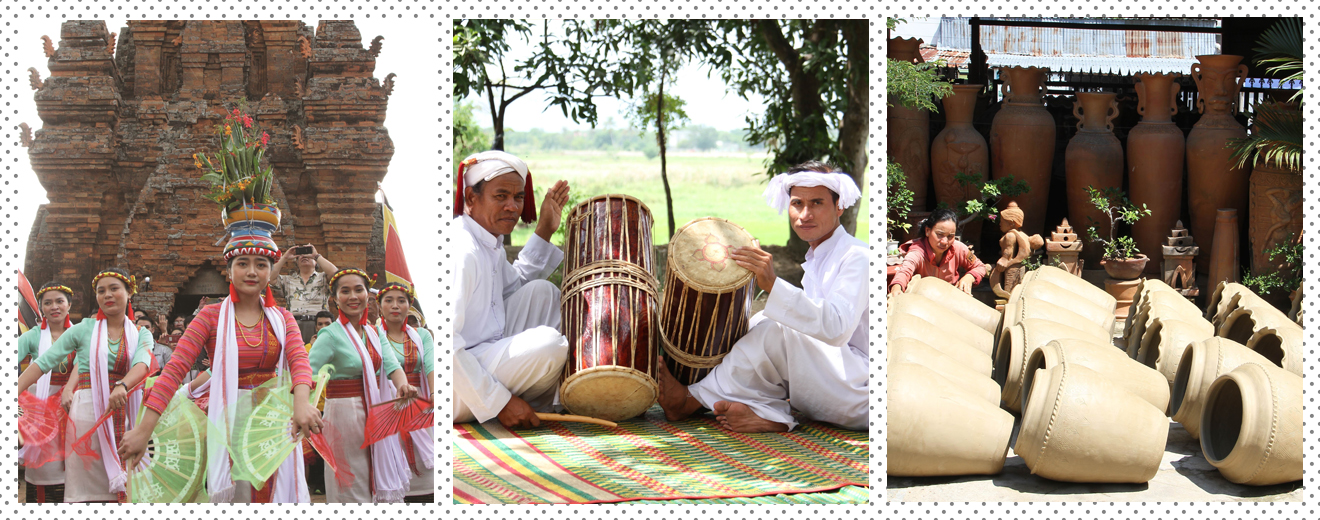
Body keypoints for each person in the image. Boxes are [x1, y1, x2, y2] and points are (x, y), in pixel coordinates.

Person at [655, 161, 868, 433]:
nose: (805, 214)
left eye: (817, 203)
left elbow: (837, 329)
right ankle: (771, 414)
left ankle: (688, 400)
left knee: (775, 331)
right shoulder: (818, 257)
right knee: (760, 321)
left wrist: (773, 284)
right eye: (797, 203)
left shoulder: (858, 257)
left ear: (839, 207)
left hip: (860, 389)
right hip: (835, 379)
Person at [119, 231, 321, 504]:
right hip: (228, 417)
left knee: (272, 493)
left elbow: (299, 362)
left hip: (272, 419)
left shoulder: (282, 318)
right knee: (237, 494)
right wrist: (144, 430)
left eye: (261, 265)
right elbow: (174, 370)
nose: (252, 272)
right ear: (229, 271)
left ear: (270, 272)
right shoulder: (210, 316)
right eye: (242, 264)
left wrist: (301, 404)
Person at [451, 150, 572, 430]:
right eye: (500, 196)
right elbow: (445, 342)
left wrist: (544, 230)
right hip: (458, 383)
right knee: (551, 345)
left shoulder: (487, 242)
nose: (512, 207)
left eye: (518, 198)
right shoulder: (462, 250)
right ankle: (513, 405)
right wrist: (500, 402)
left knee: (543, 293)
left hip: (484, 355)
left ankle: (547, 400)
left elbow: (515, 286)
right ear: (471, 198)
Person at [17, 268, 156, 502]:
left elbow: (143, 364)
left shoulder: (142, 334)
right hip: (87, 416)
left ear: (129, 292)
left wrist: (122, 385)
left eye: (114, 289)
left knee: (128, 487)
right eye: (101, 291)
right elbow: (43, 363)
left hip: (127, 413)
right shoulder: (83, 329)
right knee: (86, 490)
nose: (107, 295)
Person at [309, 268, 418, 503]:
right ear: (335, 299)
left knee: (374, 475)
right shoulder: (330, 335)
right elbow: (308, 374)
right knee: (351, 480)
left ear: (367, 295)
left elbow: (391, 364)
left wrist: (403, 385)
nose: (353, 296)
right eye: (345, 291)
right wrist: (305, 408)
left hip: (376, 411)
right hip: (344, 415)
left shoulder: (374, 331)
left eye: (359, 290)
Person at [16, 282, 79, 503]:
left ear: (69, 305)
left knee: (74, 467)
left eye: (59, 301)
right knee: (44, 469)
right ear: (41, 308)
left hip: (72, 406)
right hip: (41, 411)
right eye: (48, 303)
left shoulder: (80, 334)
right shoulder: (33, 336)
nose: (54, 307)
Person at [375, 281, 434, 503]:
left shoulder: (422, 336)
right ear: (379, 306)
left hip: (420, 405)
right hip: (386, 404)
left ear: (410, 306)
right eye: (388, 300)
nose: (395, 306)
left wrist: (436, 395)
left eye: (401, 301)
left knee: (427, 463)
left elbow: (430, 366)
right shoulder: (371, 335)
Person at [887, 208, 988, 296]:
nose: (944, 242)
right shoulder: (917, 252)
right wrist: (897, 288)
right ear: (927, 231)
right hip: (923, 304)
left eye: (950, 236)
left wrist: (969, 277)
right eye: (939, 234)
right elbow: (905, 271)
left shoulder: (958, 248)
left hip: (951, 300)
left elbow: (980, 267)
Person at [271, 243, 338, 342]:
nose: (304, 257)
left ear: (316, 263)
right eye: (300, 256)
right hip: (294, 323)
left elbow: (334, 273)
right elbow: (270, 278)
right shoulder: (289, 280)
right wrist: (285, 257)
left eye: (307, 255)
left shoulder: (322, 277)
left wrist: (316, 255)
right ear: (297, 263)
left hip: (318, 323)